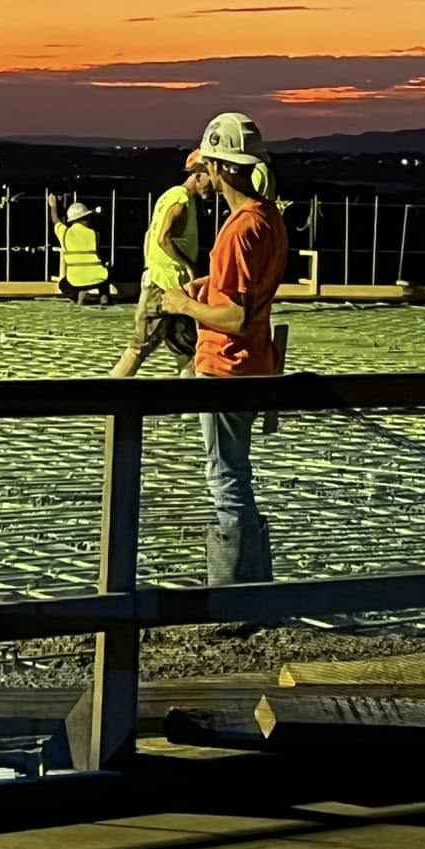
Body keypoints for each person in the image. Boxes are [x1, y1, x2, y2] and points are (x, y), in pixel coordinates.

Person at [159, 111, 289, 585]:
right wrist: (210, 284)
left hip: (226, 368)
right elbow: (249, 292)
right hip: (257, 364)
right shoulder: (267, 219)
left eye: (210, 164)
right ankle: (251, 578)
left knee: (227, 476)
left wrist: (182, 303)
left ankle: (236, 586)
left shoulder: (236, 231)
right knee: (235, 470)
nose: (207, 174)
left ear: (221, 167)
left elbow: (235, 317)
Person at [111, 151, 215, 378]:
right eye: (210, 177)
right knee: (139, 348)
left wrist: (148, 267)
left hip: (171, 287)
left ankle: (189, 410)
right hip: (166, 287)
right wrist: (189, 266)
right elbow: (162, 237)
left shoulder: (168, 197)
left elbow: (150, 234)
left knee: (189, 349)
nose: (214, 185)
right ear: (198, 175)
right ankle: (109, 404)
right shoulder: (181, 200)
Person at [47, 194, 113, 304]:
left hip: (75, 280)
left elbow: (55, 220)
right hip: (98, 278)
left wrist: (53, 205)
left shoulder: (64, 233)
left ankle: (77, 294)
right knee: (107, 271)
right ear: (85, 218)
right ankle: (104, 296)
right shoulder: (95, 234)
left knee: (63, 285)